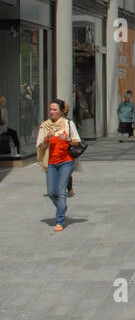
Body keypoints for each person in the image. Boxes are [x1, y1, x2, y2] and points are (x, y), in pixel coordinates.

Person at [36, 98, 81, 232]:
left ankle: (59, 220)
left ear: (61, 111)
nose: (52, 112)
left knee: (61, 192)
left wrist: (67, 139)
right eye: (50, 109)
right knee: (51, 192)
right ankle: (62, 208)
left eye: (55, 110)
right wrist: (47, 138)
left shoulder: (68, 124)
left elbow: (77, 142)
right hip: (51, 162)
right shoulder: (45, 126)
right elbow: (39, 145)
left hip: (66, 162)